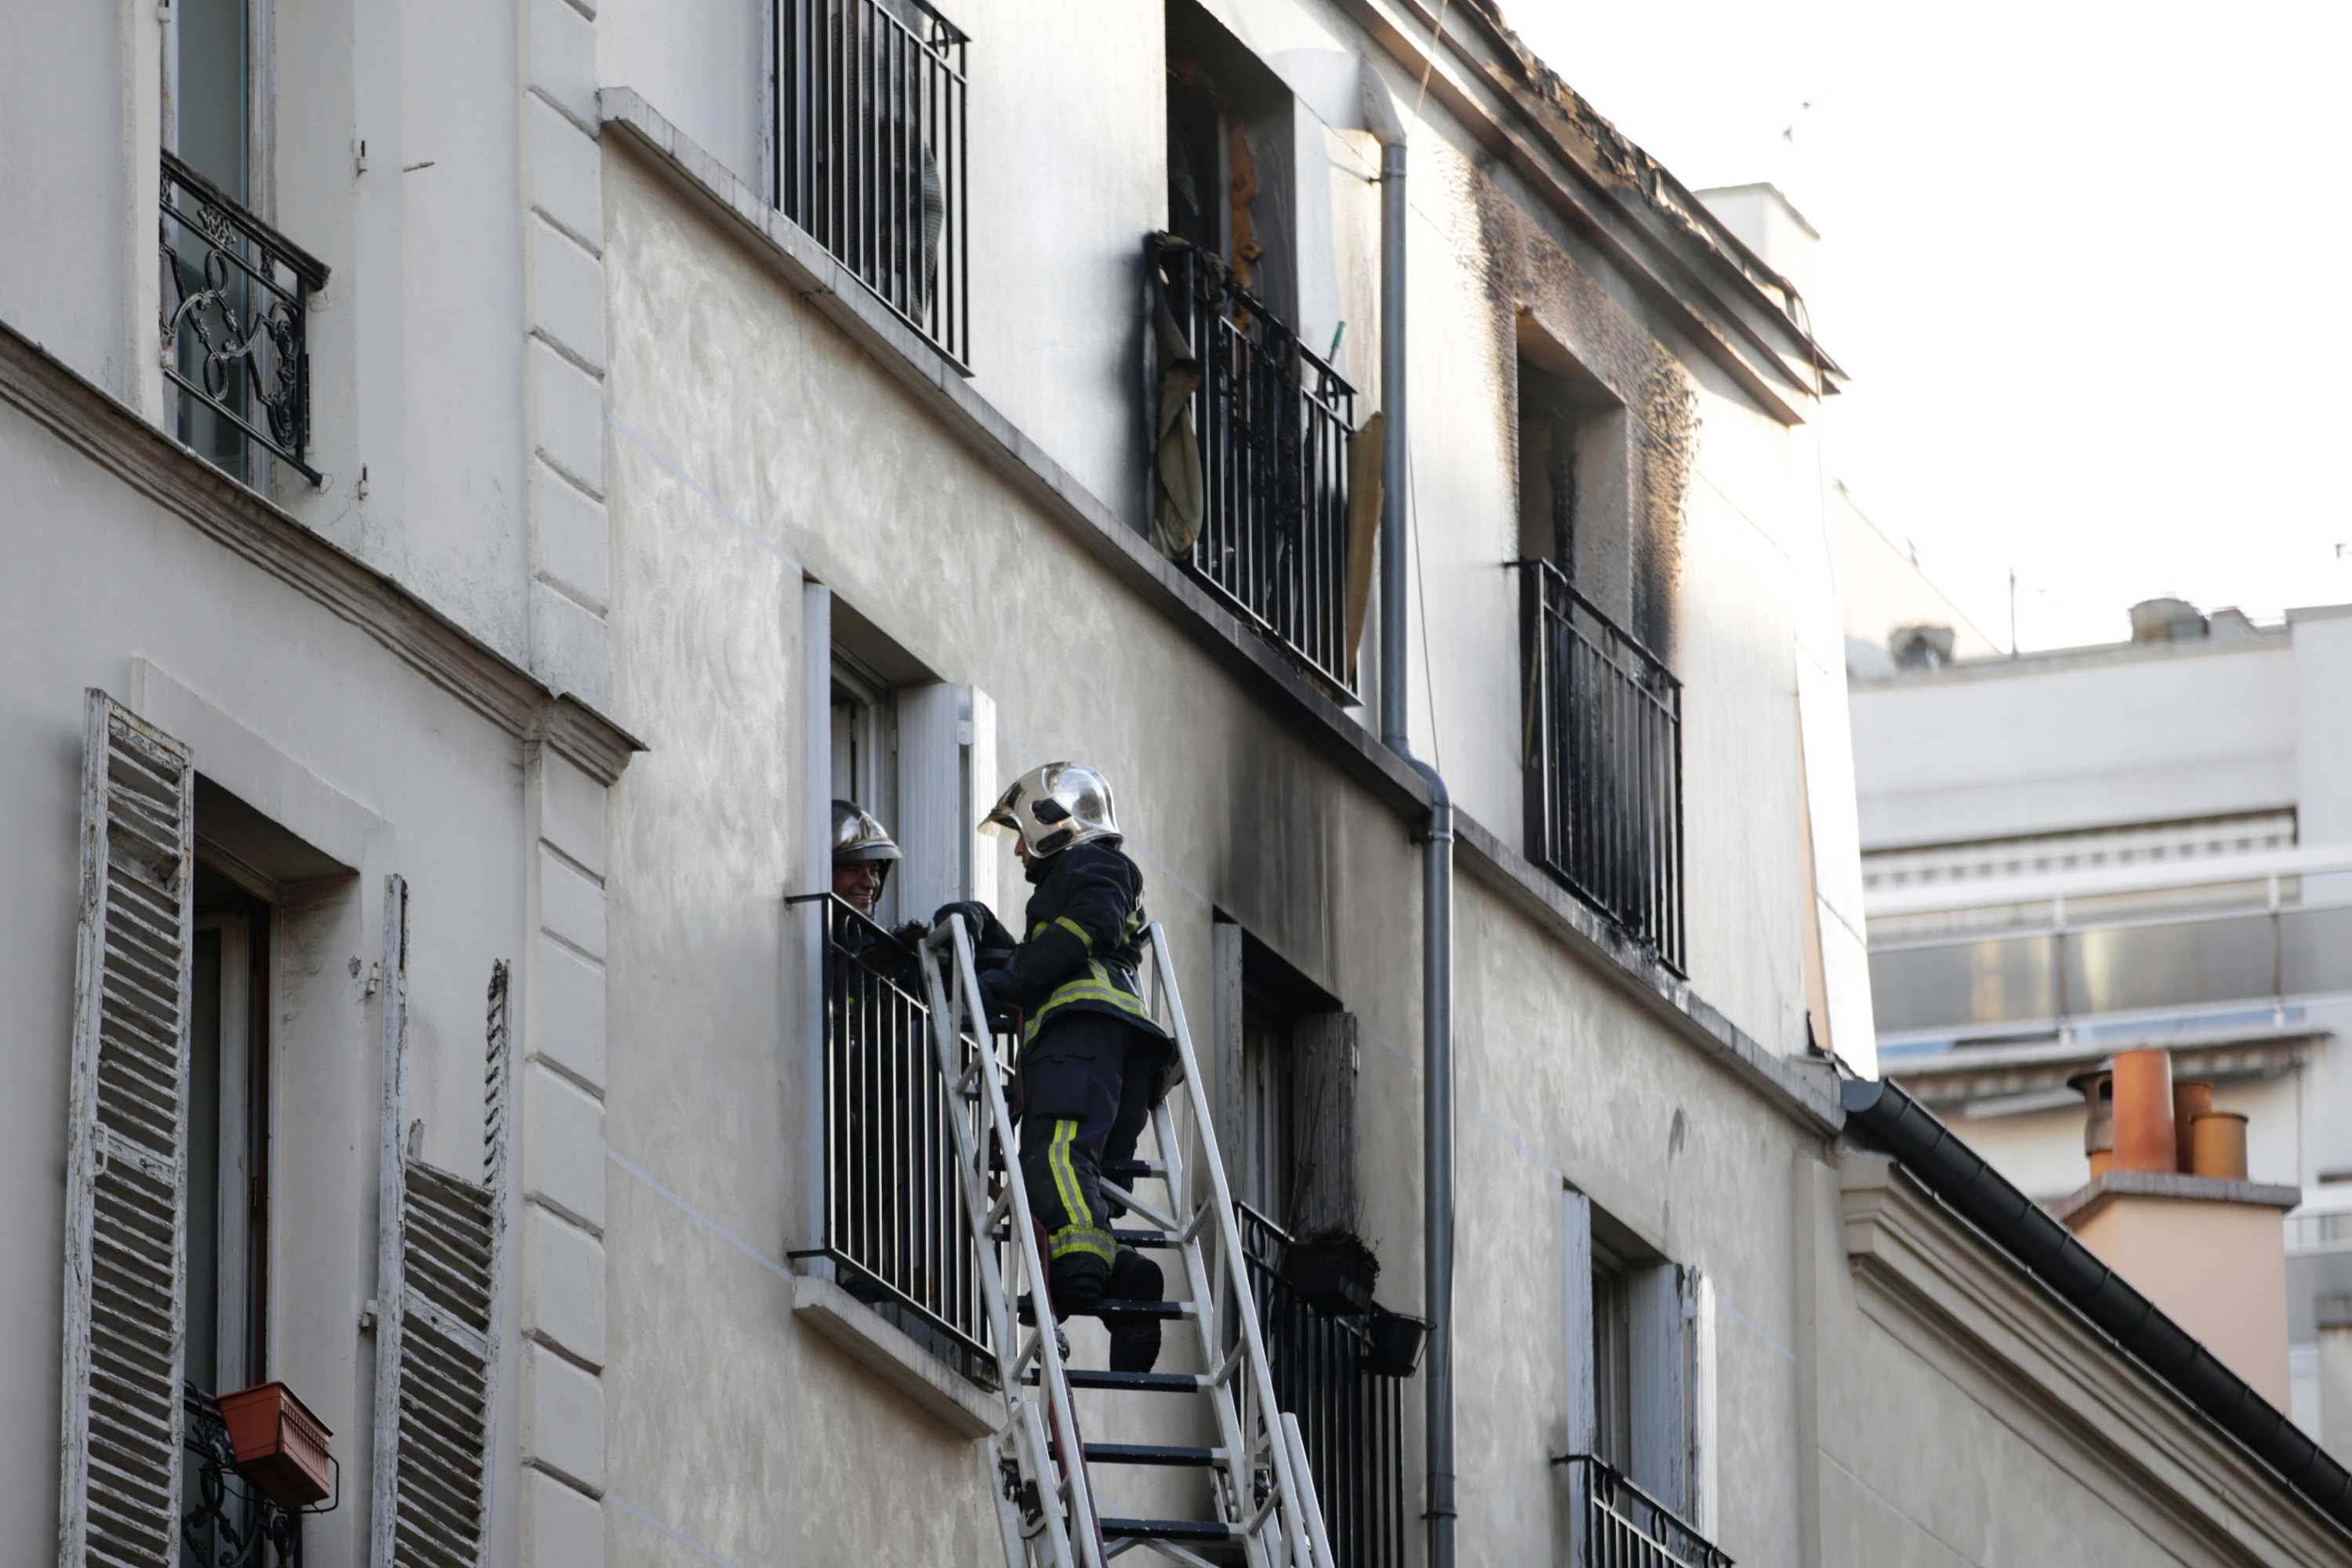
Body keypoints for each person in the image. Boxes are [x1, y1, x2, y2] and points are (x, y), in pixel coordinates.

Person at [934, 762, 1172, 1372]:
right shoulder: (1077, 879)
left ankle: (1085, 1275)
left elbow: (1075, 940)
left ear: (1055, 821)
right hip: (1098, 1047)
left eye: (1021, 832)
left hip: (1083, 1038)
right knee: (1068, 1181)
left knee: (1056, 1159)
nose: (1017, 849)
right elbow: (1055, 955)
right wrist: (989, 940)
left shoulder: (1096, 866)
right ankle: (1127, 1282)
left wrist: (1009, 976)